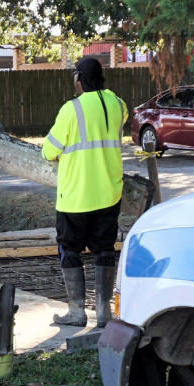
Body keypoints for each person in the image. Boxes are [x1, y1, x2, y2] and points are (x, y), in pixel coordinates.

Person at [40, 58, 128, 327]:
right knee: (104, 249)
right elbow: (117, 111)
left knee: (69, 249)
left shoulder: (71, 109)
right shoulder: (118, 105)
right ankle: (104, 314)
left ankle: (77, 313)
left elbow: (48, 151)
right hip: (108, 194)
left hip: (76, 196)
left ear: (79, 78)